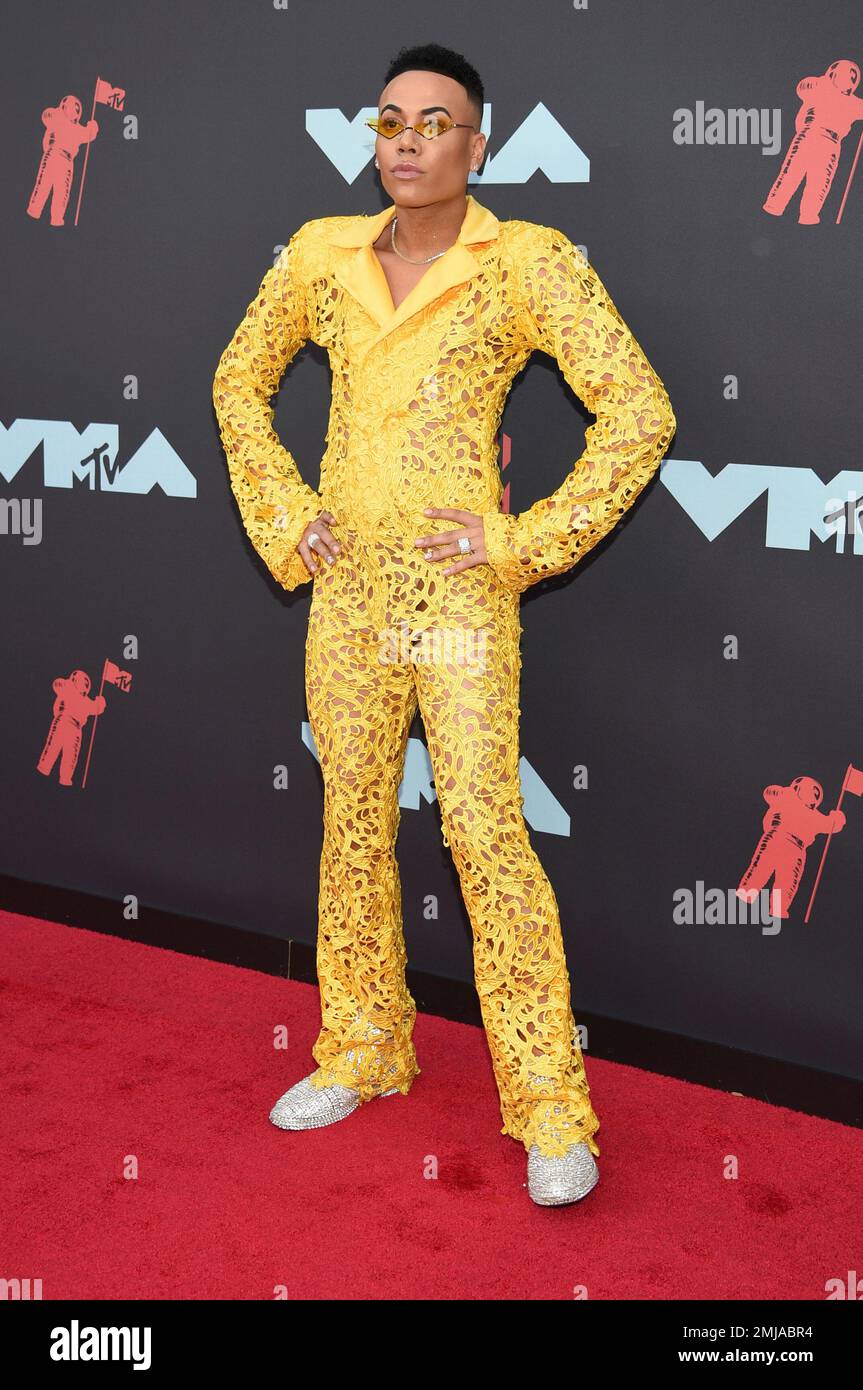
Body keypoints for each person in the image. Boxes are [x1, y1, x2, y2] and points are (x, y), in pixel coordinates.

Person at [212, 43, 676, 1207]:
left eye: (436, 121)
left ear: (479, 144)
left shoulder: (524, 261)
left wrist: (520, 541)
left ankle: (550, 1104)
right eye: (390, 120)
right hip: (345, 593)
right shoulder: (321, 253)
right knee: (352, 820)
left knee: (480, 827)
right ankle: (361, 1044)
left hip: (461, 598)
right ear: (373, 139)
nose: (408, 139)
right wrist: (287, 510)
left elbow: (639, 409)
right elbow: (237, 381)